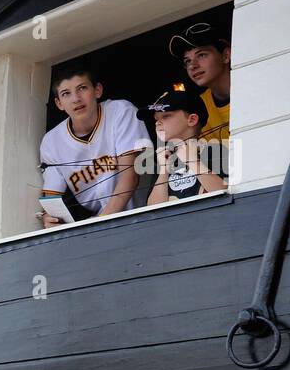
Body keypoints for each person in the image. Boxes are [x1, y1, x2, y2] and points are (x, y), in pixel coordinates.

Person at [39, 65, 151, 226]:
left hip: (148, 211)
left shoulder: (121, 111)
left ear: (97, 90)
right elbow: (52, 199)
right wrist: (48, 217)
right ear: (59, 103)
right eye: (66, 94)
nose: (76, 99)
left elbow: (130, 177)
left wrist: (100, 222)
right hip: (102, 220)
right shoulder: (51, 141)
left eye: (82, 88)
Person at [145, 88, 228, 204]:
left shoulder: (215, 150)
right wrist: (163, 171)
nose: (157, 123)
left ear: (192, 120)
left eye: (166, 116)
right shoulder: (164, 159)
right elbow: (153, 207)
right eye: (156, 119)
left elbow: (226, 193)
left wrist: (192, 161)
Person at [169, 22, 231, 168]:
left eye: (201, 55)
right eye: (187, 61)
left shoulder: (253, 90)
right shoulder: (198, 106)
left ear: (226, 55)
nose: (192, 66)